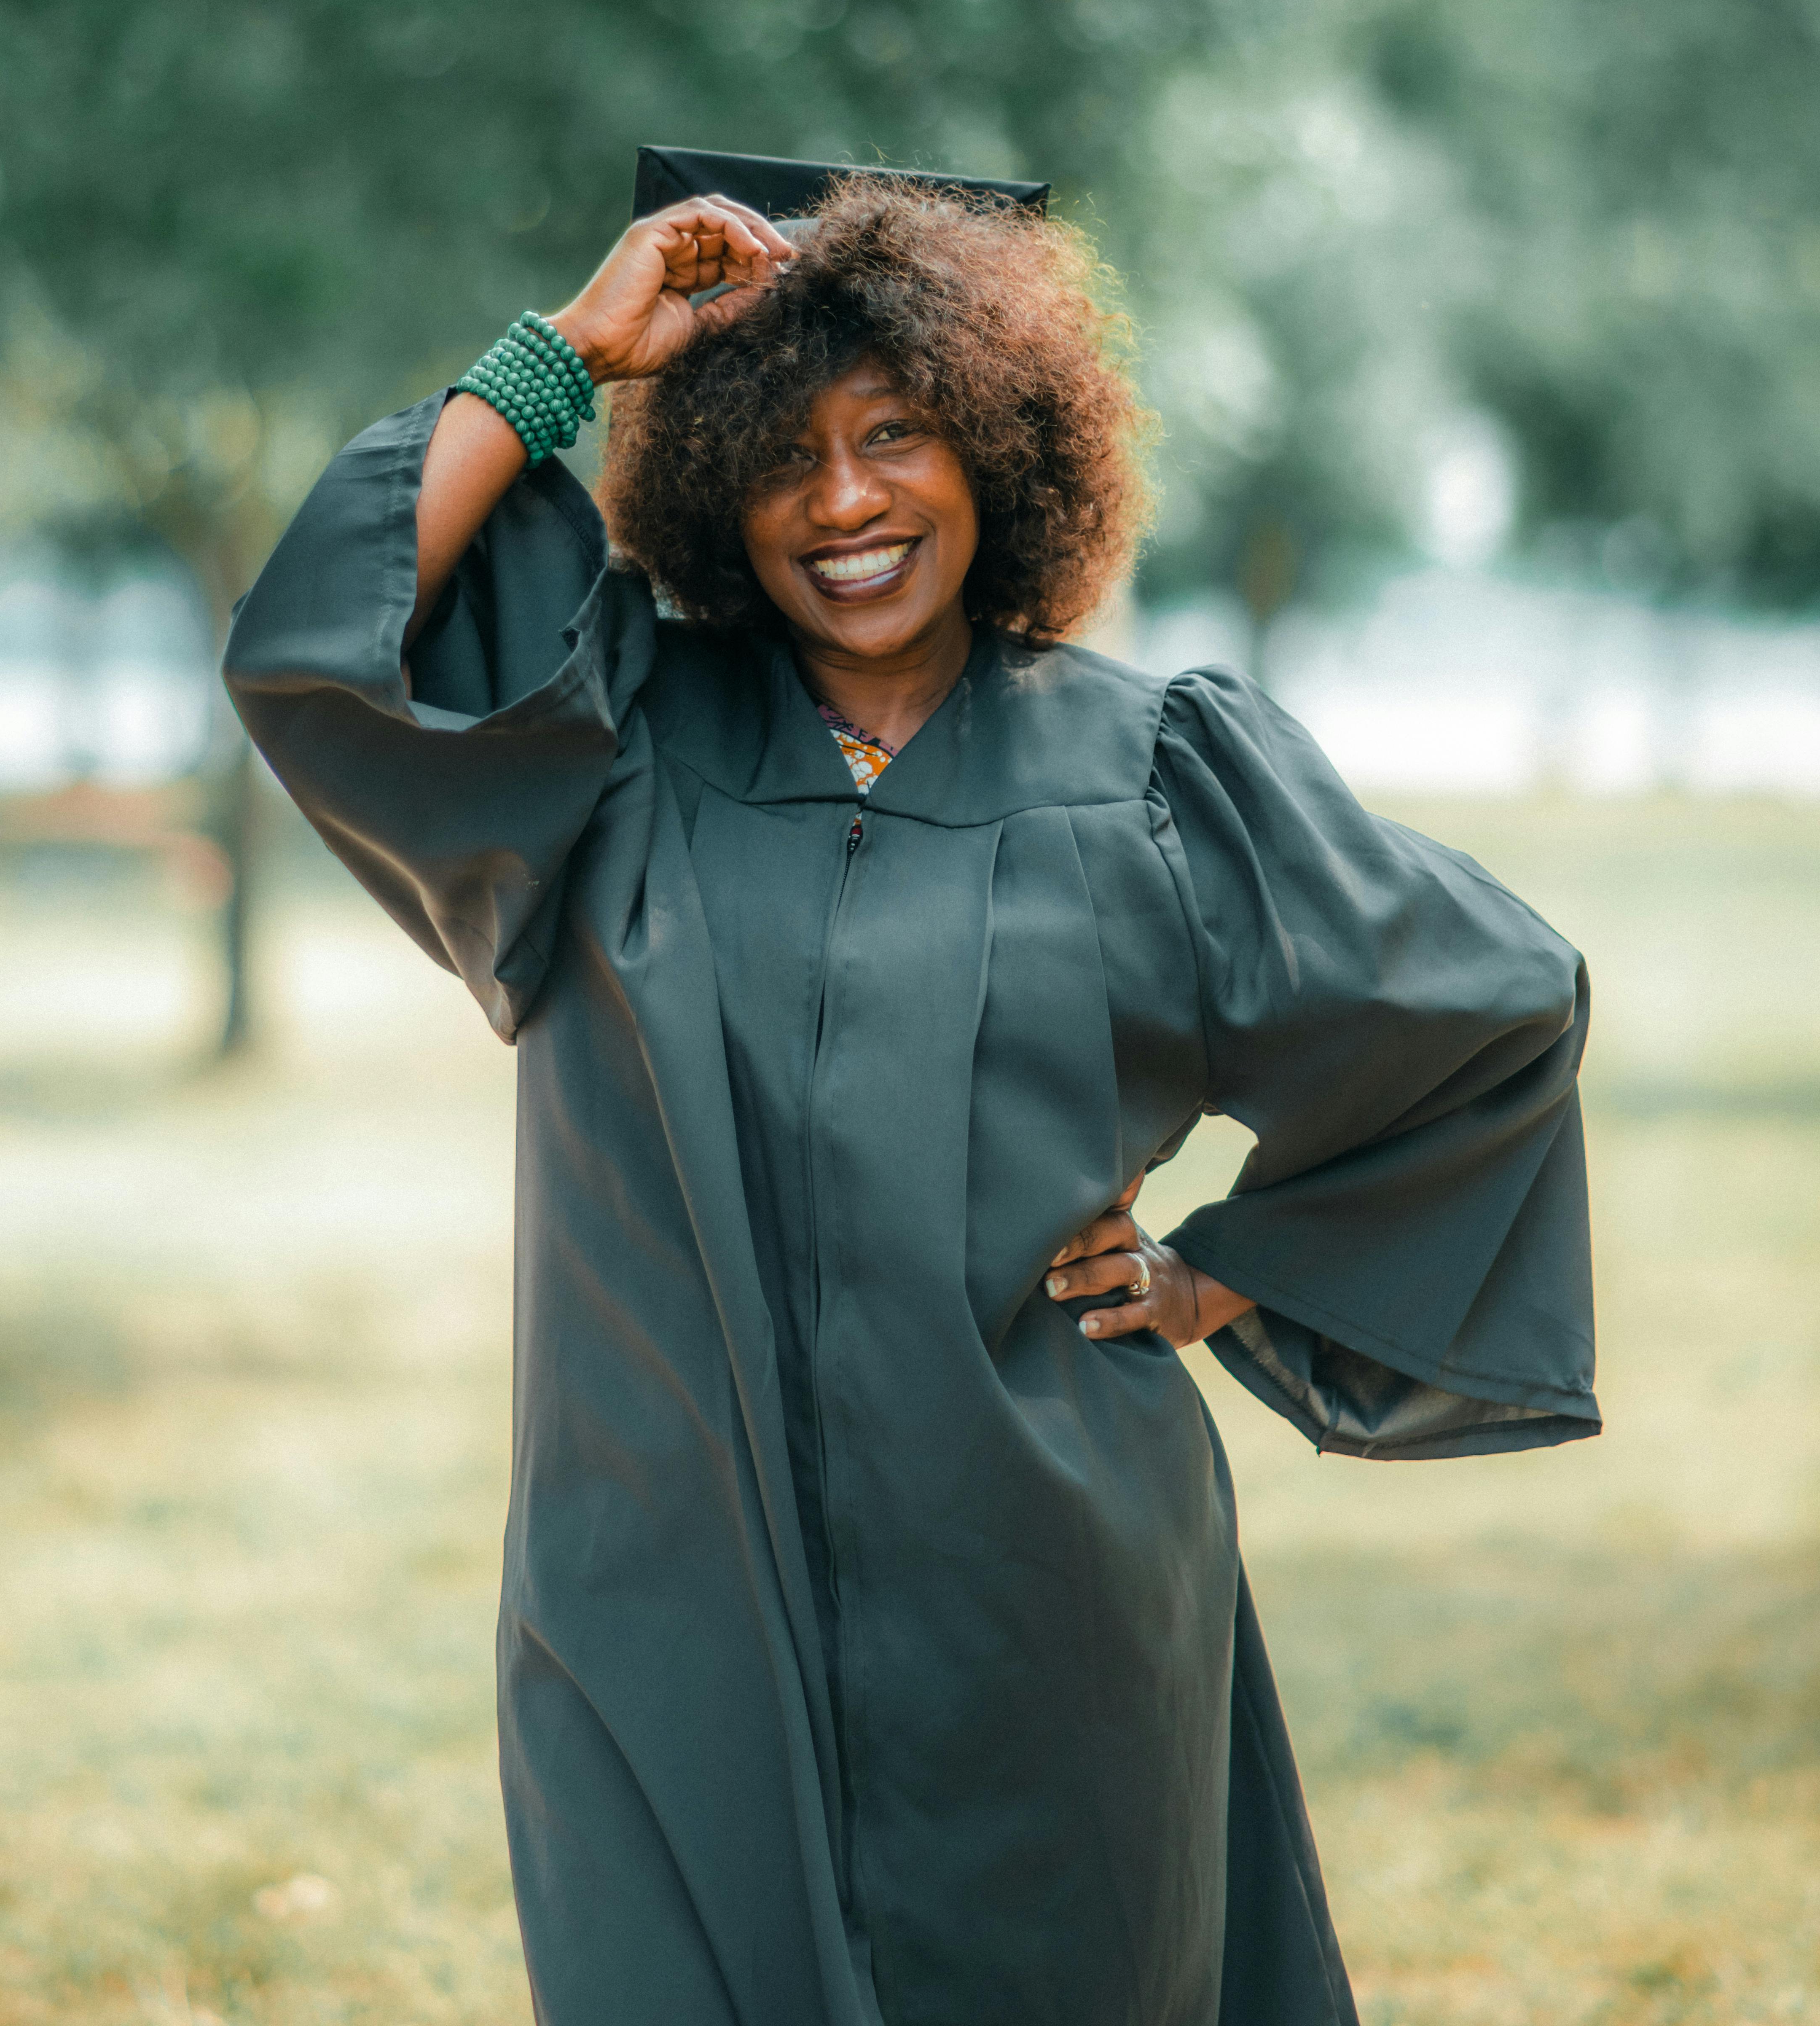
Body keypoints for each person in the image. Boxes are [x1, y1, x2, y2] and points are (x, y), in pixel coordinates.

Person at [224, 166, 1598, 2026]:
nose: (846, 500)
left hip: (1041, 1594)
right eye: (783, 452)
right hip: (660, 1593)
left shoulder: (1153, 771)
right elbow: (335, 640)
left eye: (898, 434)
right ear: (713, 486)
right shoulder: (613, 736)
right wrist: (567, 356)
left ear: (1002, 451)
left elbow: (1486, 1013)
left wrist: (1225, 1274)